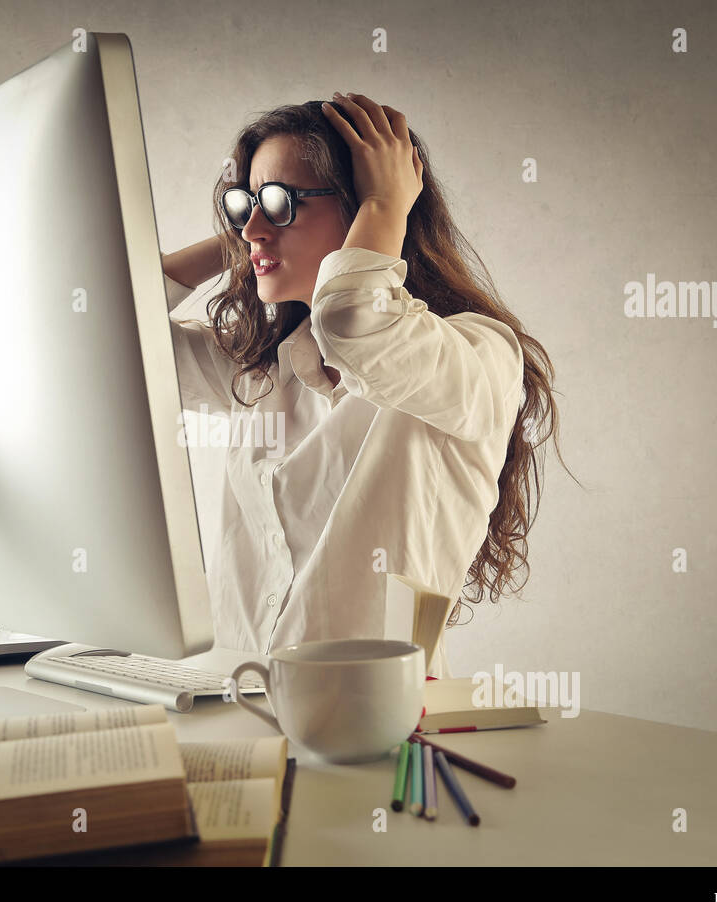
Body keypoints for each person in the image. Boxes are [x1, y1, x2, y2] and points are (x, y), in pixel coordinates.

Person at [161, 92, 577, 679]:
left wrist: (385, 202)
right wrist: (244, 240)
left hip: (373, 726)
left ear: (365, 210)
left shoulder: (478, 355)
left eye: (281, 203)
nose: (253, 225)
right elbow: (105, 343)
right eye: (243, 204)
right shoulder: (264, 370)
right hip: (236, 706)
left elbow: (355, 320)